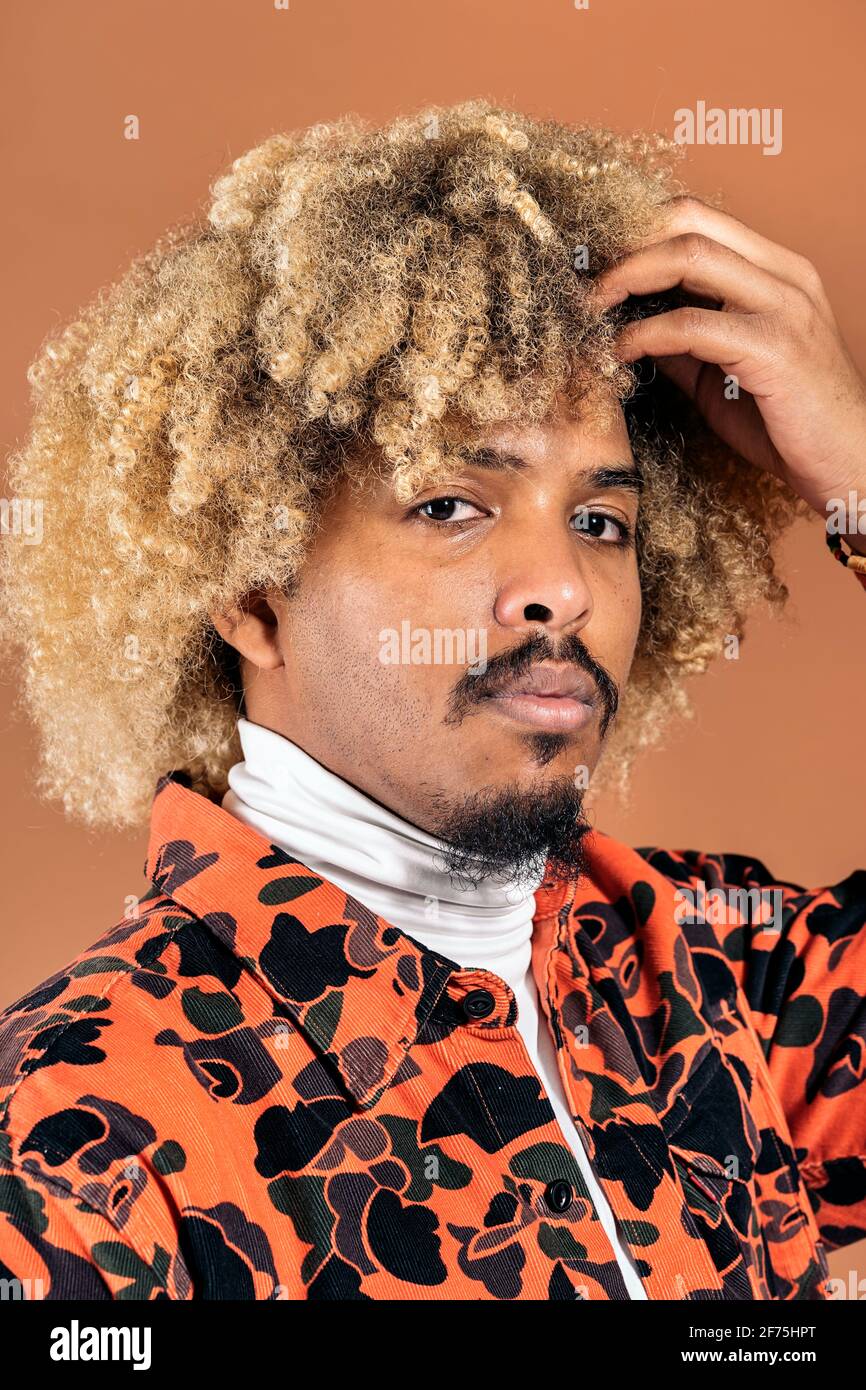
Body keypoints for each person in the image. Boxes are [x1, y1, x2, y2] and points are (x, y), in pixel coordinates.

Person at [1, 99, 865, 1302]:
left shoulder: (716, 977)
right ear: (252, 591)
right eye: (450, 505)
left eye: (601, 521)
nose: (559, 587)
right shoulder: (81, 1134)